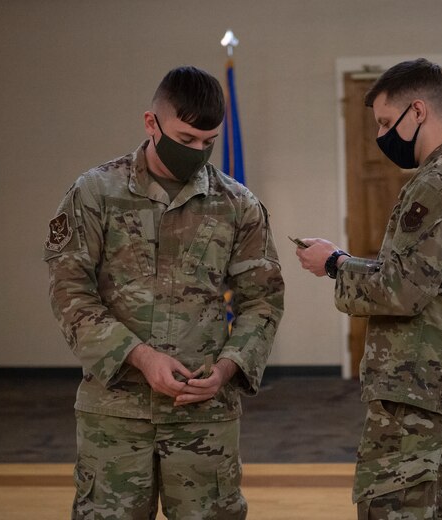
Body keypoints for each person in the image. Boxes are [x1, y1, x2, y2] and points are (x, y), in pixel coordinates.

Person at [44, 66, 284, 519]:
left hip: (203, 415)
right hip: (115, 414)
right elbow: (70, 293)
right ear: (151, 123)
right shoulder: (95, 193)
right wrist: (140, 357)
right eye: (186, 138)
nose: (198, 151)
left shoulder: (237, 205)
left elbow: (262, 301)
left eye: (209, 141)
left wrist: (228, 368)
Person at [295, 58, 442, 519]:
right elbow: (436, 281)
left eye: (386, 122)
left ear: (419, 112)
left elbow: (403, 290)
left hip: (421, 390)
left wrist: (335, 263)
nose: (381, 136)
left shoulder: (438, 182)